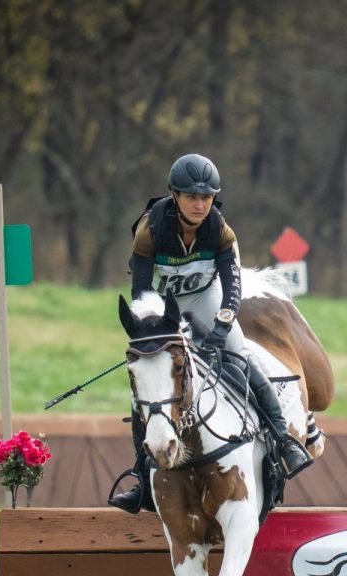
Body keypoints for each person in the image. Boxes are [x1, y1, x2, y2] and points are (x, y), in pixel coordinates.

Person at [109, 153, 312, 514]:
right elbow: (141, 292)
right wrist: (152, 332)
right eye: (191, 197)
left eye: (206, 197)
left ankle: (284, 441)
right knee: (149, 374)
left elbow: (232, 286)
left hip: (206, 297)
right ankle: (142, 476)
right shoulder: (150, 230)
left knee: (240, 355)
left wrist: (221, 325)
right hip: (162, 303)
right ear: (175, 196)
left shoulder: (220, 228)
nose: (200, 204)